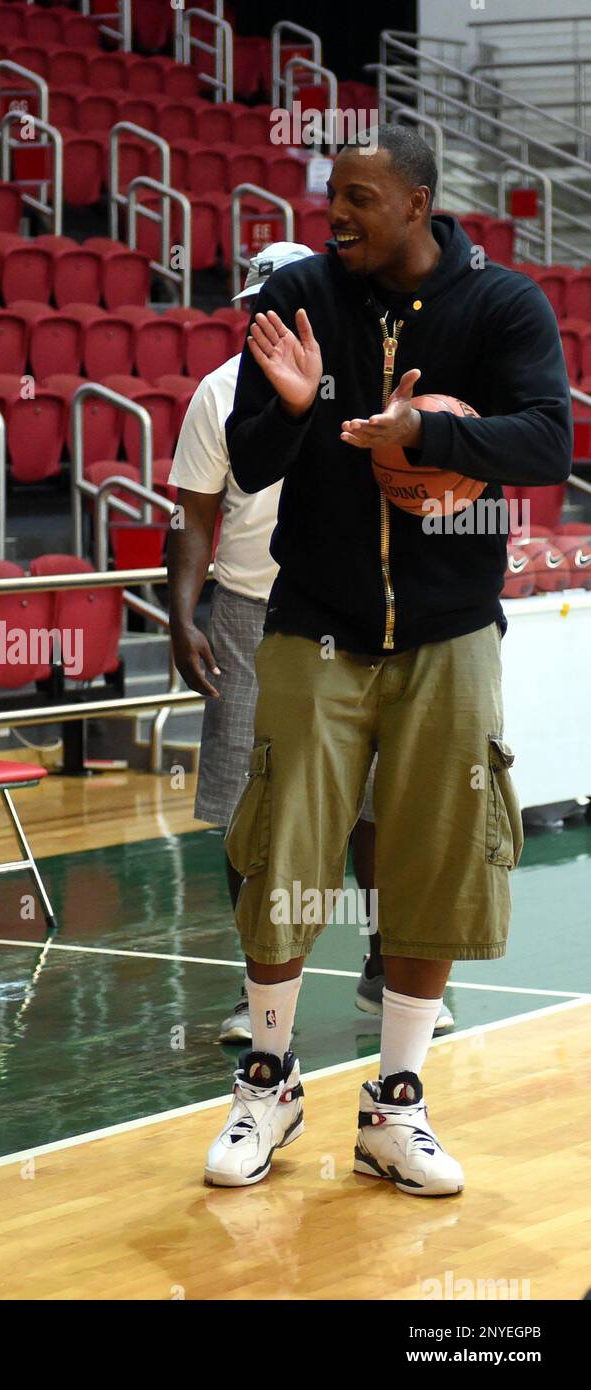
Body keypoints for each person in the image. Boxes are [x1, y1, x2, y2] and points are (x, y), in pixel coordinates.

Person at [204, 126, 571, 1195]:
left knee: (433, 861)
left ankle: (394, 1104)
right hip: (314, 623)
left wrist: (429, 436)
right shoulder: (304, 295)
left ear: (418, 201)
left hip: (452, 631)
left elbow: (548, 441)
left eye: (361, 201)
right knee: (281, 856)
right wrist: (294, 404)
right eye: (333, 204)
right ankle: (267, 1081)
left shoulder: (501, 306)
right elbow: (250, 461)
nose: (340, 221)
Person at [167, 241, 453, 1044]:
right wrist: (182, 613)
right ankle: (253, 986)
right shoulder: (218, 392)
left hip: (349, 606)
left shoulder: (363, 378)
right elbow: (192, 513)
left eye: (281, 304)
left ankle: (379, 964)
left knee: (373, 803)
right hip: (250, 607)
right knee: (242, 802)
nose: (267, 318)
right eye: (256, 305)